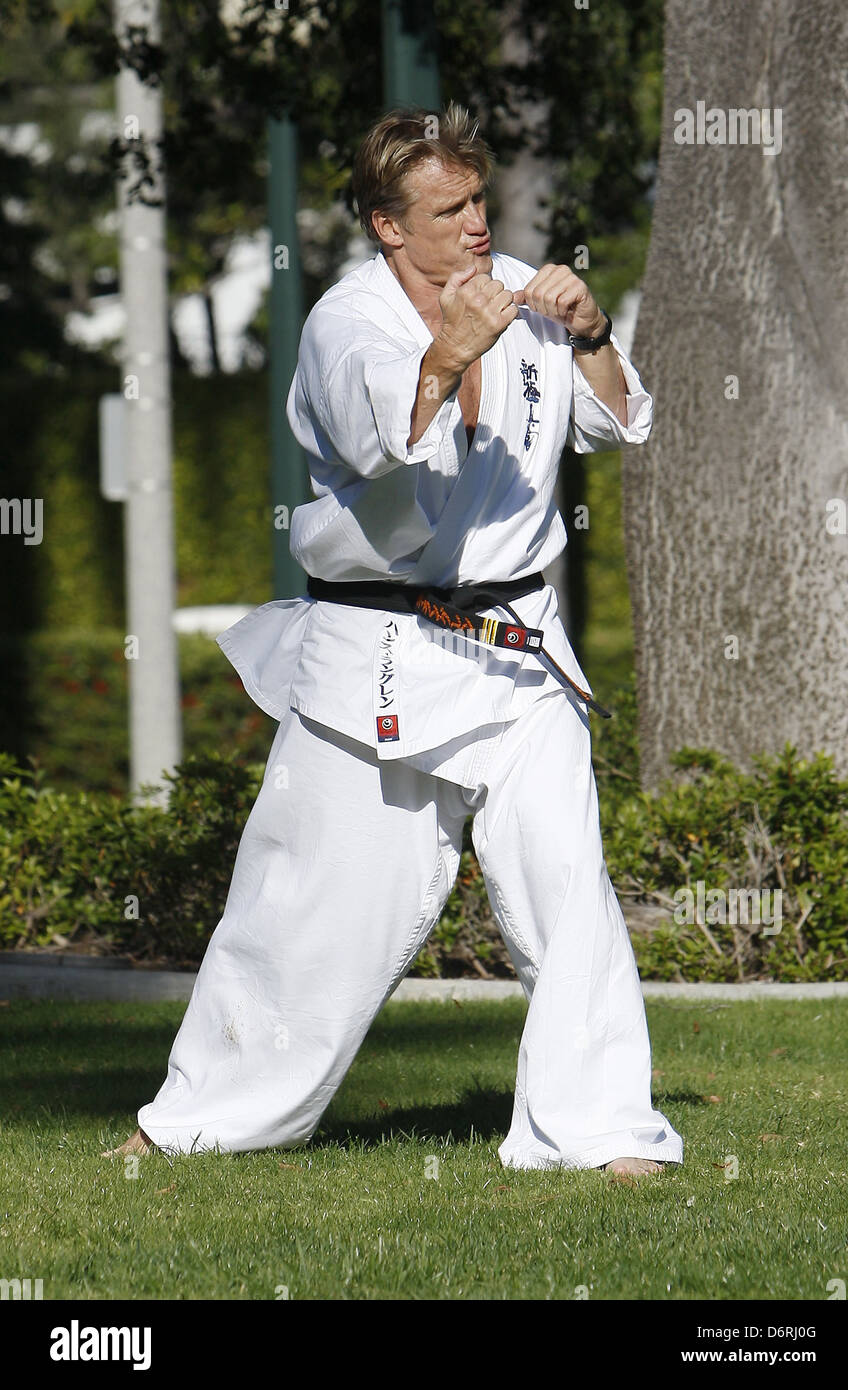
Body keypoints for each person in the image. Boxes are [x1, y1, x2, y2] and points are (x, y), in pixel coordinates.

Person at [106, 104, 683, 1180]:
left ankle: (604, 1129)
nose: (475, 226)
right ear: (384, 223)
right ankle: (193, 1121)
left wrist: (593, 335)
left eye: (477, 200)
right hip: (379, 654)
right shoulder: (347, 323)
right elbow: (381, 448)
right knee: (304, 911)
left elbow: (617, 422)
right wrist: (441, 358)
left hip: (516, 649)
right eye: (446, 209)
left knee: (569, 883)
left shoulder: (523, 290)